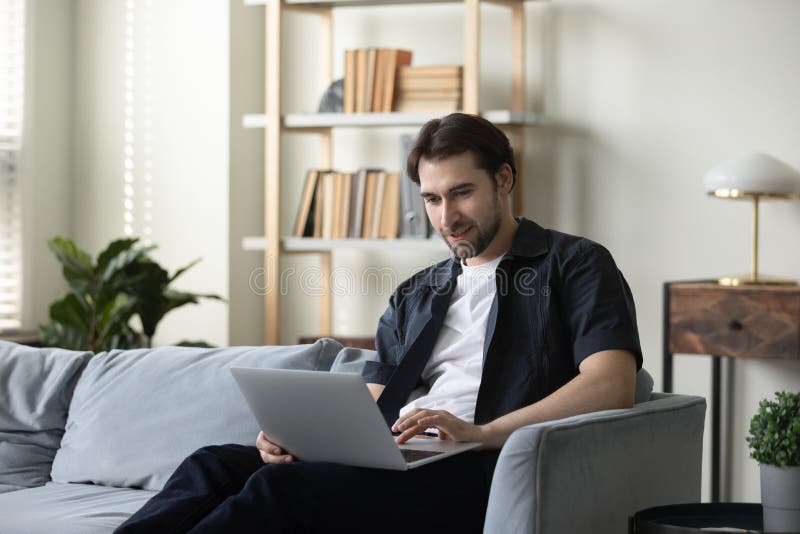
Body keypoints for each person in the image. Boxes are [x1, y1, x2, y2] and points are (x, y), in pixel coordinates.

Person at [116, 113, 642, 533]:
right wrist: (302, 436)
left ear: (504, 179)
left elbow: (611, 383)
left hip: (481, 463)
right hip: (398, 454)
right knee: (213, 464)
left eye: (462, 193)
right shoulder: (418, 291)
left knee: (280, 493)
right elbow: (375, 394)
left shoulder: (573, 263)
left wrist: (482, 433)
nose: (445, 218)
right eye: (432, 199)